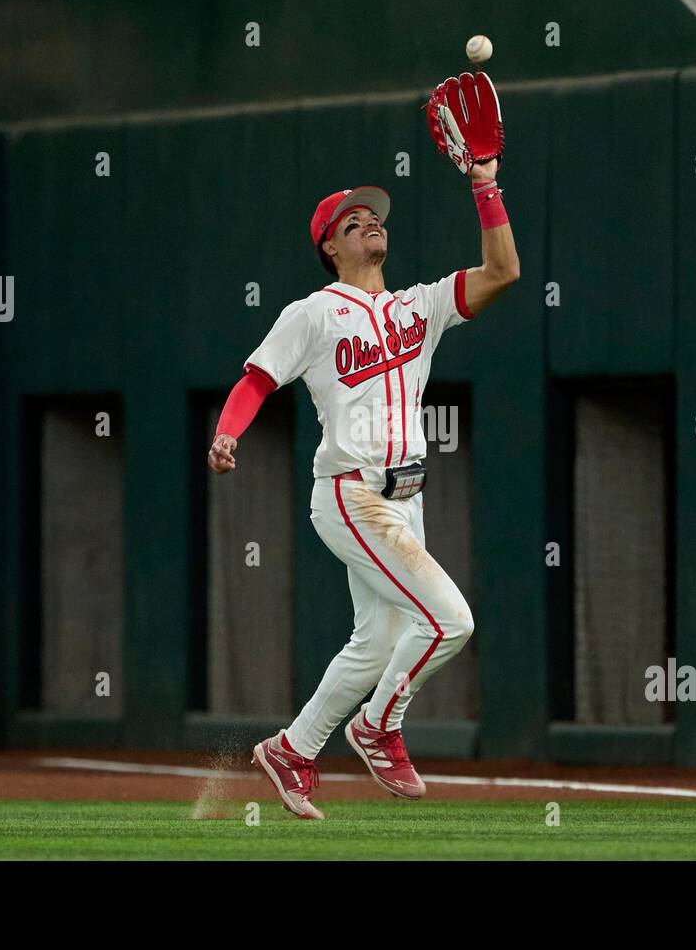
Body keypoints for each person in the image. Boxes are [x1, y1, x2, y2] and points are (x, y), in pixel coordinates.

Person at [209, 159, 518, 819]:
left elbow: (503, 273)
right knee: (451, 620)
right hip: (352, 496)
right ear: (329, 246)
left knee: (377, 642)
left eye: (373, 216)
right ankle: (379, 724)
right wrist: (228, 432)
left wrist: (484, 185)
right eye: (353, 222)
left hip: (405, 497)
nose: (370, 223)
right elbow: (257, 379)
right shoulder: (315, 314)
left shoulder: (419, 305)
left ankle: (294, 749)